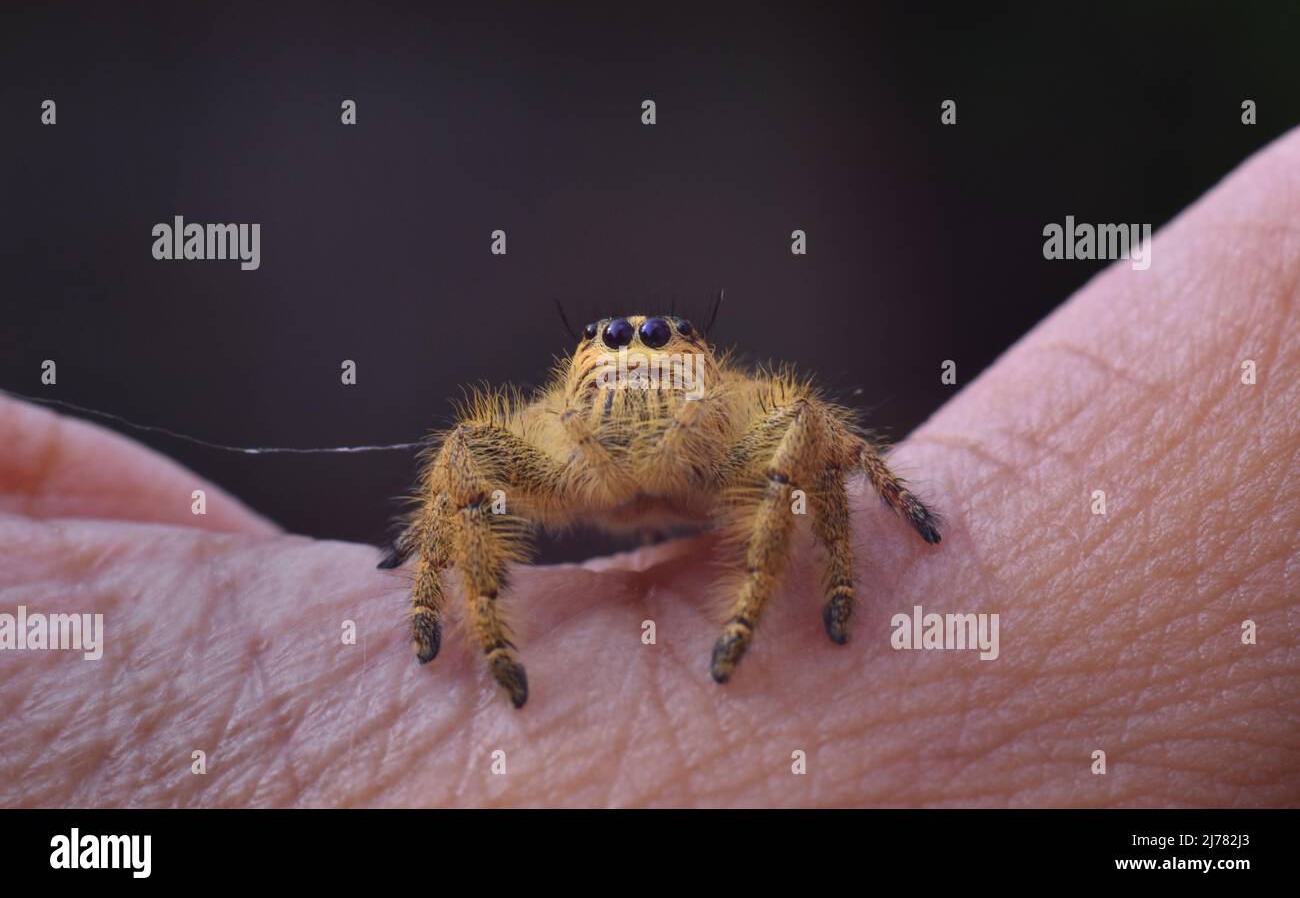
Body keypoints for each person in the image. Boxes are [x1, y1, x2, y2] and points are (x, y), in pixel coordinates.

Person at [2, 128, 1297, 808]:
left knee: (805, 441)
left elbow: (808, 432)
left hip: (734, 497)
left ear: (698, 362)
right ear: (583, 370)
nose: (638, 364)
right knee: (463, 457)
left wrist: (842, 550)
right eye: (614, 349)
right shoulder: (548, 439)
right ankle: (479, 635)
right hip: (568, 508)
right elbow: (464, 467)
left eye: (665, 346)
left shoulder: (742, 416)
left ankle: (778, 607)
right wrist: (441, 601)